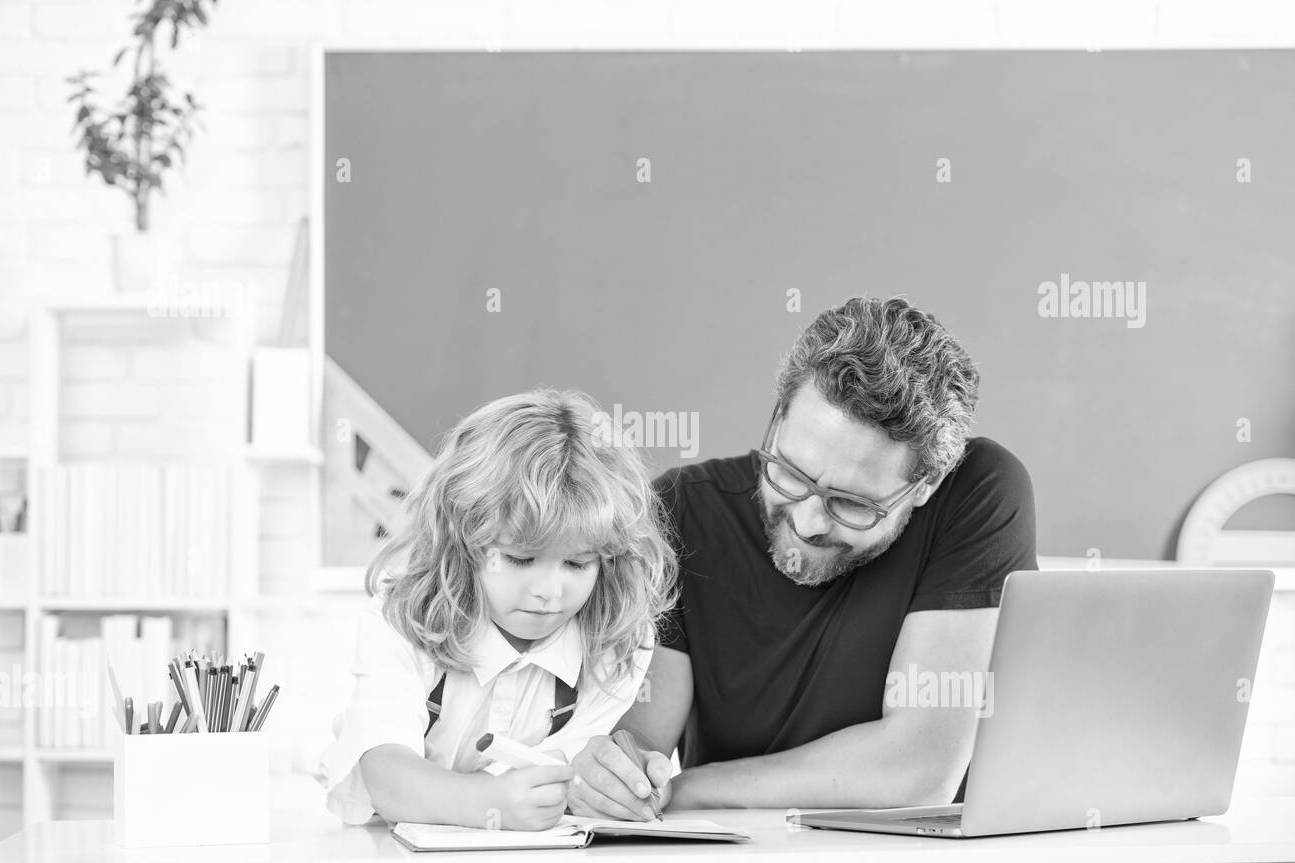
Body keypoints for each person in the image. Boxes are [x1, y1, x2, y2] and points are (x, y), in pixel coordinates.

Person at [567, 296, 1038, 819]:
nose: (809, 522)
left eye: (853, 503)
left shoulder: (979, 492)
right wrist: (614, 776)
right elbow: (644, 745)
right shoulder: (683, 509)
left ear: (924, 486)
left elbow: (918, 768)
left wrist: (690, 788)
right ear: (777, 421)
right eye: (791, 472)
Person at [318, 389, 677, 830]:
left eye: (578, 563)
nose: (549, 591)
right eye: (520, 559)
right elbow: (384, 774)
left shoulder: (617, 642)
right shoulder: (403, 617)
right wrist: (489, 804)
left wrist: (614, 783)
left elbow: (572, 776)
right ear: (464, 536)